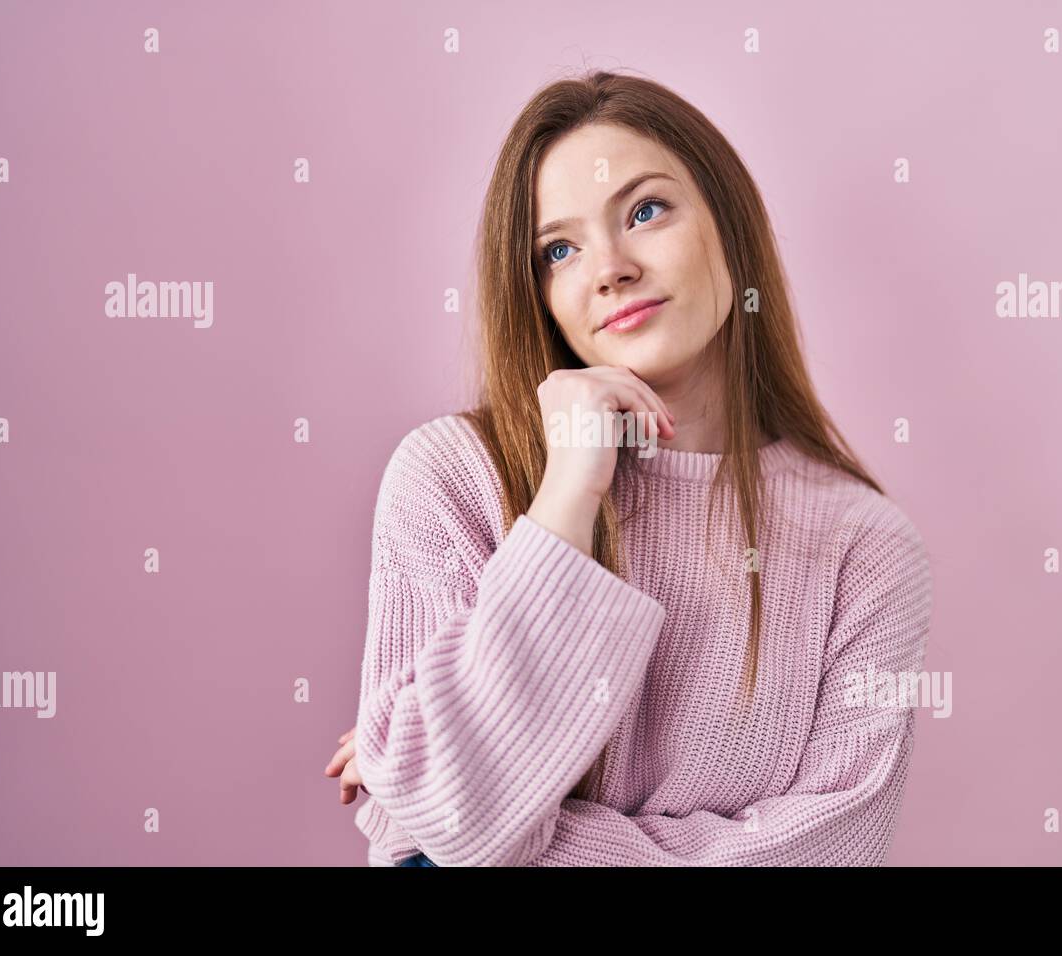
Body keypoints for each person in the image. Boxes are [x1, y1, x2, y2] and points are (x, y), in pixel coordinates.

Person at [323, 69, 934, 867]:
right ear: (537, 292)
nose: (608, 267)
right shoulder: (451, 477)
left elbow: (835, 849)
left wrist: (475, 820)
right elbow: (451, 822)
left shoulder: (867, 547)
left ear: (730, 224)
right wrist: (569, 493)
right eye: (560, 249)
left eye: (645, 211)